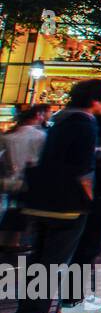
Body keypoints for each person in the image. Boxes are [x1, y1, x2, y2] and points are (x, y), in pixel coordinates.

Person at [8, 81, 101, 313]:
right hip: (67, 204)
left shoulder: (59, 122)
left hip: (42, 201)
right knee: (52, 263)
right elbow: (83, 170)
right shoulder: (86, 125)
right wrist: (90, 200)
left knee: (40, 262)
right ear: (95, 101)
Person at [58, 94, 101, 313]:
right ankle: (71, 300)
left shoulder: (72, 122)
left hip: (91, 196)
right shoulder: (96, 126)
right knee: (86, 247)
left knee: (85, 248)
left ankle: (77, 296)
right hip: (95, 197)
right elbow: (99, 166)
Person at [0, 104, 51, 253]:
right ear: (37, 116)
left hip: (8, 177)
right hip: (27, 177)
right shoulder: (41, 136)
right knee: (19, 210)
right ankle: (13, 242)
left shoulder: (9, 135)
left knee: (10, 208)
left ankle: (5, 240)